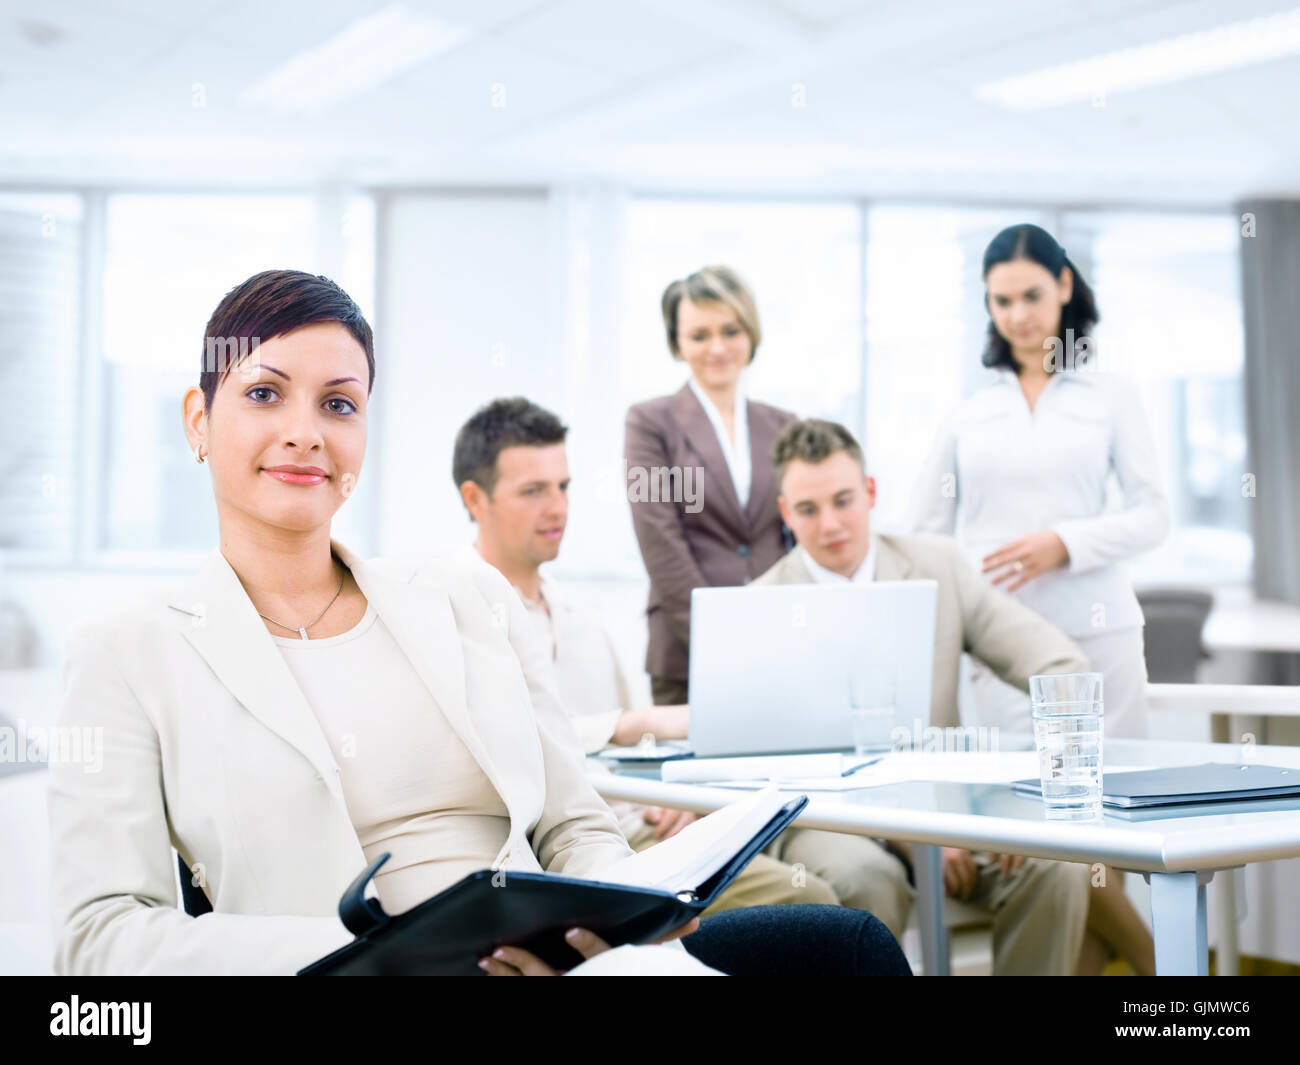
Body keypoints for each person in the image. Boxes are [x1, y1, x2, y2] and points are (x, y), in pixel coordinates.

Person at [45, 269, 711, 977]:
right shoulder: (125, 650)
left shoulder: (471, 598)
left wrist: (620, 915)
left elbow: (576, 826)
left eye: (339, 404)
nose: (305, 434)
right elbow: (99, 938)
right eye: (265, 394)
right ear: (199, 421)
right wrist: (397, 959)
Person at [754, 416, 1155, 976]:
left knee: (1057, 866)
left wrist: (1035, 793)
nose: (831, 525)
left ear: (870, 493)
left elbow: (1060, 666)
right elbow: (768, 764)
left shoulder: (938, 566)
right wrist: (913, 839)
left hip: (942, 810)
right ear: (784, 513)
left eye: (844, 500)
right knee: (869, 878)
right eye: (808, 510)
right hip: (829, 823)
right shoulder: (762, 604)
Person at [451, 396, 840, 916]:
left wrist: (669, 798)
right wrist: (631, 723)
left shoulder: (583, 623)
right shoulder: (453, 611)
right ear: (475, 499)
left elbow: (641, 760)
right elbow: (495, 754)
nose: (558, 508)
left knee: (810, 899)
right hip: (549, 859)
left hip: (640, 836)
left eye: (563, 487)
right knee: (808, 905)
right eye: (533, 491)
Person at [907, 223, 1170, 741]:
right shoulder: (969, 411)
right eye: (1002, 301)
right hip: (1001, 638)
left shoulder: (1110, 396)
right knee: (1025, 795)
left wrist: (1064, 544)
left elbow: (1153, 517)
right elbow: (925, 536)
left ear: (1064, 287)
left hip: (1099, 631)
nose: (1019, 315)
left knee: (1115, 789)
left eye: (1033, 296)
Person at [625, 266, 795, 705]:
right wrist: (716, 638)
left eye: (730, 330)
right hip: (687, 654)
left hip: (779, 646)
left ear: (750, 334)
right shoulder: (648, 423)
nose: (716, 348)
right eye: (699, 335)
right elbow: (658, 539)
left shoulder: (784, 427)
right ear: (677, 343)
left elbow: (797, 535)